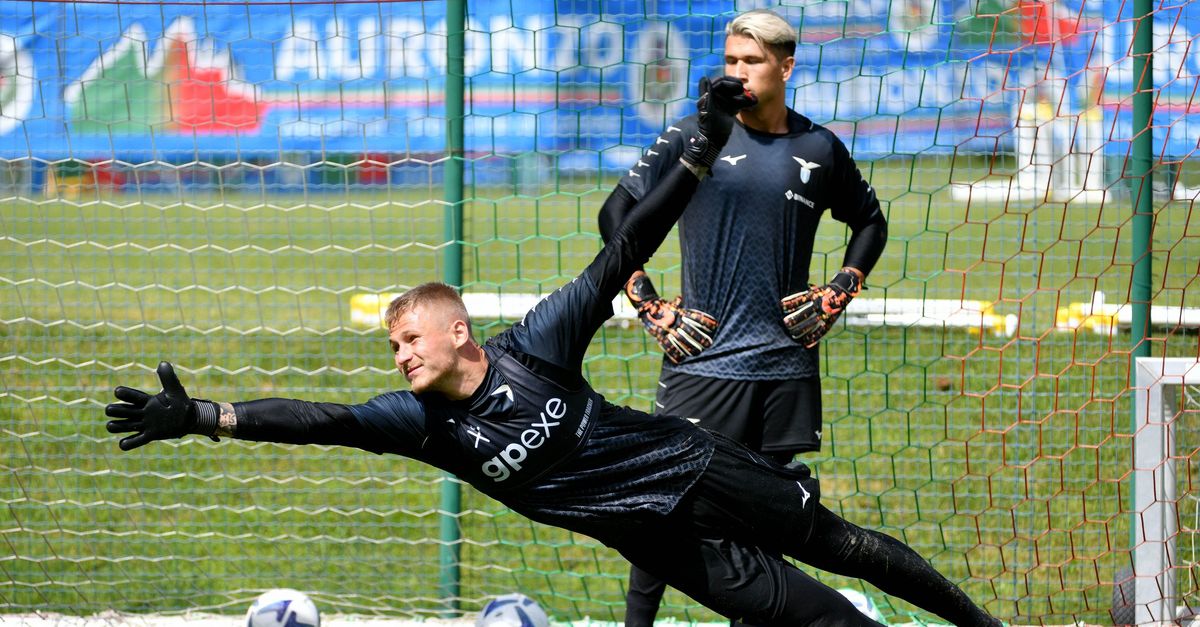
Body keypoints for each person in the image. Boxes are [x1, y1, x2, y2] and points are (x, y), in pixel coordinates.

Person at [104, 78, 996, 627]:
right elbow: (323, 421)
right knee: (816, 616)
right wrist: (208, 417)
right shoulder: (423, 424)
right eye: (392, 344)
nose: (399, 354)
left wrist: (695, 157)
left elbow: (621, 251)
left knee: (846, 547)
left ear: (456, 330)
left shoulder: (538, 341)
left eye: (407, 337)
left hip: (697, 466)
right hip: (662, 538)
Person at [596, 9, 889, 625]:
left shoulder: (819, 148)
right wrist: (647, 303)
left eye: (751, 61)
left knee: (765, 522)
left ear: (784, 66)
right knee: (661, 503)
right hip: (701, 361)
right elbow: (615, 212)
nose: (739, 72)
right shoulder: (695, 137)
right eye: (731, 61)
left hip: (784, 367)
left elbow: (870, 221)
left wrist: (839, 291)